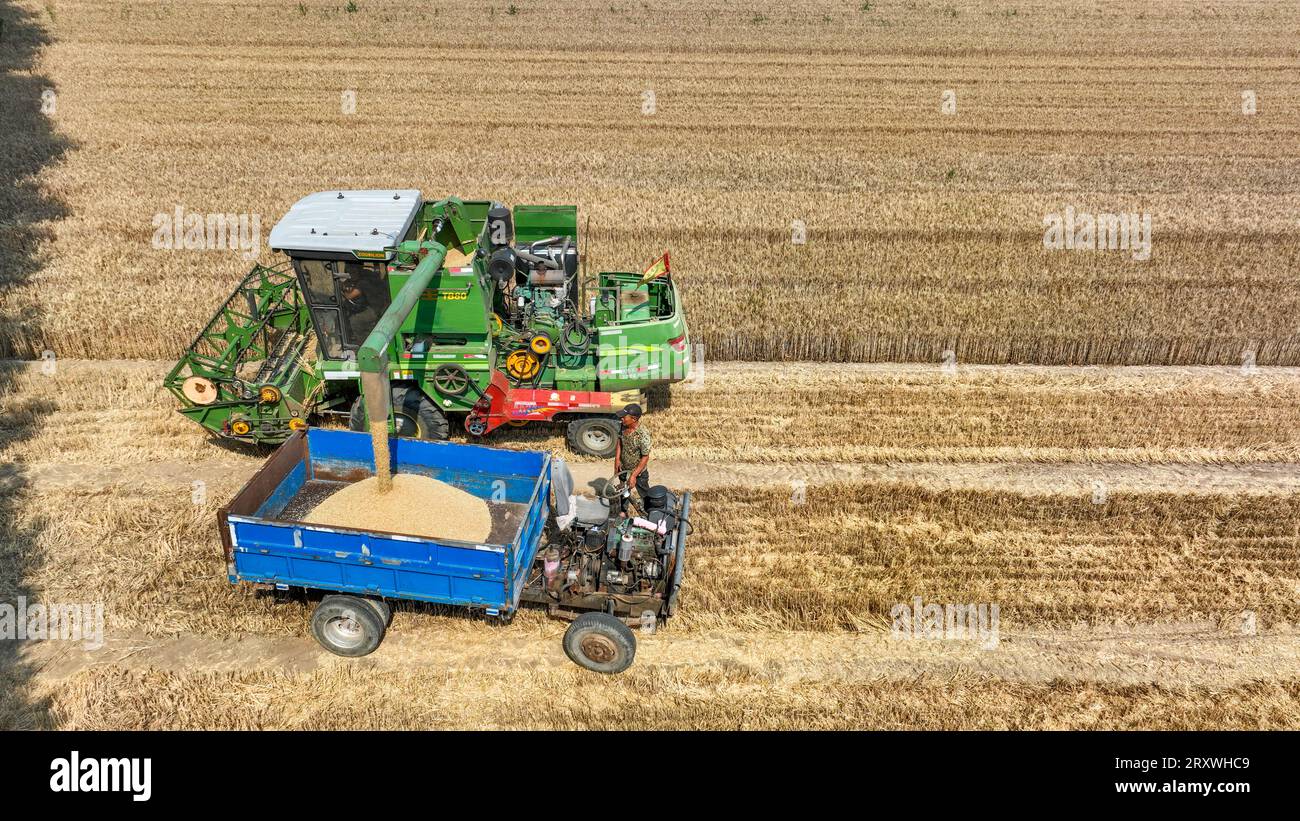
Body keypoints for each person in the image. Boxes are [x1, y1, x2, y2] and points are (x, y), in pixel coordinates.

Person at [613, 403, 651, 500]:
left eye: (624, 417)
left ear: (633, 419)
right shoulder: (623, 426)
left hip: (638, 473)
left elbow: (645, 457)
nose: (621, 419)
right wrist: (617, 460)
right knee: (623, 491)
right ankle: (623, 511)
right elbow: (619, 441)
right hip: (623, 468)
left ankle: (649, 512)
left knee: (645, 495)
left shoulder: (643, 434)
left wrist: (634, 475)